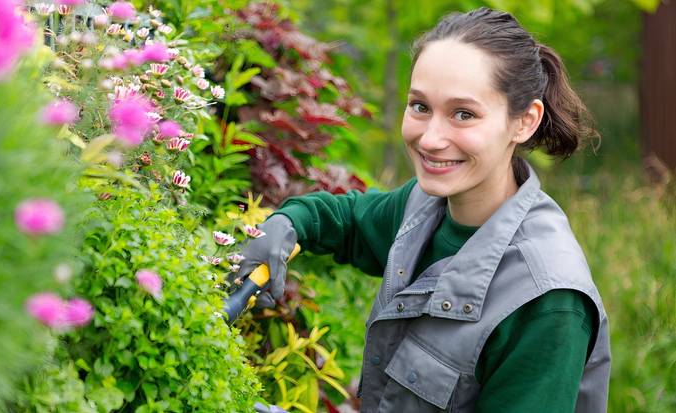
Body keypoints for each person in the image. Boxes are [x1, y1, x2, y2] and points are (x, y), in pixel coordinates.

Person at [236, 7, 610, 413]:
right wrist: (284, 224)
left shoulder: (546, 302)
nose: (431, 139)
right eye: (420, 107)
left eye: (463, 114)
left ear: (524, 122)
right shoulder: (425, 205)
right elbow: (346, 220)